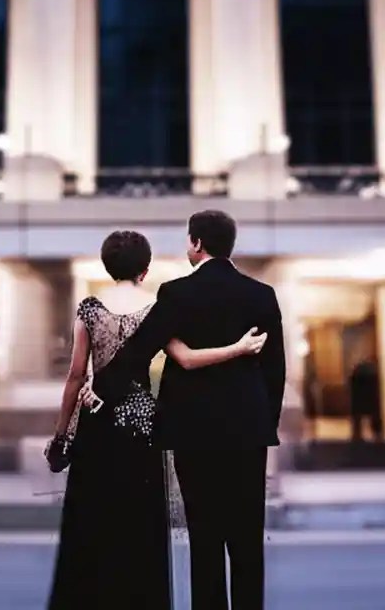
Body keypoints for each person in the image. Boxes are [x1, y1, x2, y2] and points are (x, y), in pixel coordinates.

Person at [47, 230, 267, 610]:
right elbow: (186, 358)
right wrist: (239, 348)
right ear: (145, 269)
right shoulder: (157, 307)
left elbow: (75, 378)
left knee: (92, 519)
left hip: (96, 423)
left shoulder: (88, 308)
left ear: (106, 264)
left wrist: (62, 433)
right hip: (140, 426)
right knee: (139, 523)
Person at [99, 210, 286, 610]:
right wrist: (262, 421)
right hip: (248, 433)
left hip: (192, 432)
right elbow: (276, 371)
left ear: (196, 244)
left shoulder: (175, 294)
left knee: (205, 536)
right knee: (247, 538)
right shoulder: (261, 295)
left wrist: (103, 393)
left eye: (188, 240)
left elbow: (135, 357)